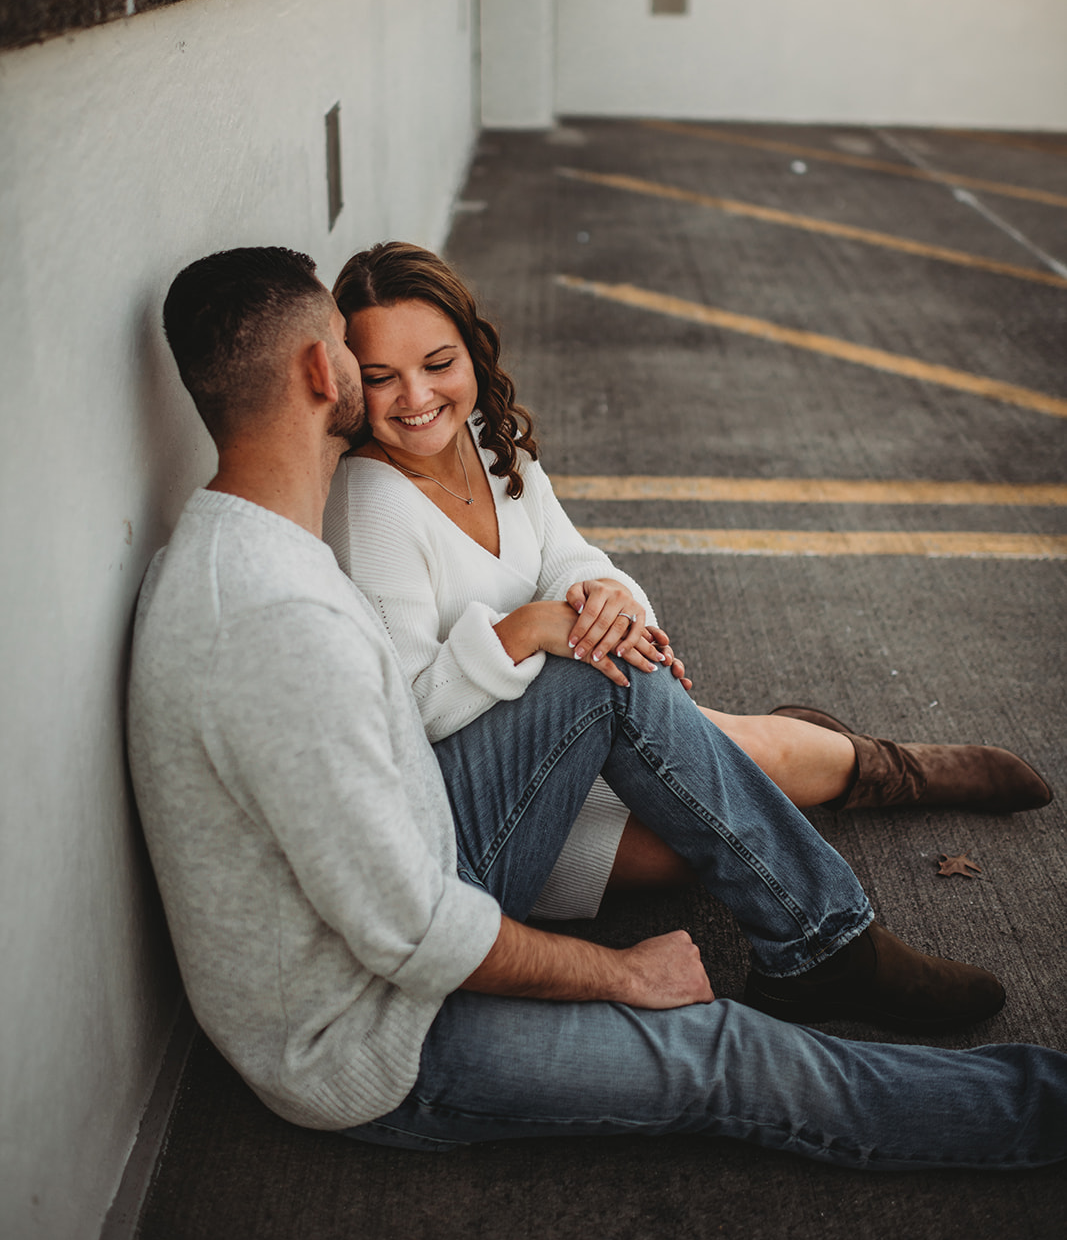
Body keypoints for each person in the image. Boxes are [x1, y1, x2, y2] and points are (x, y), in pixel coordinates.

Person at [127, 244, 1067, 1171]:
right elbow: (410, 935)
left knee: (597, 661)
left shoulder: (247, 553)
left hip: (423, 869)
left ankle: (823, 943)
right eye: (351, 346)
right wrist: (621, 976)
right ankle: (1038, 1107)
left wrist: (584, 610)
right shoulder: (278, 622)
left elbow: (554, 588)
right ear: (317, 371)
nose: (396, 387)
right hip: (373, 1038)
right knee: (724, 1052)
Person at [324, 241, 1051, 920]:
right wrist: (525, 629)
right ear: (354, 386)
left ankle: (891, 769)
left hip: (589, 719)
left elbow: (569, 558)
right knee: (700, 847)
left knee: (747, 769)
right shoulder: (373, 503)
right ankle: (811, 751)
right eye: (381, 378)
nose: (415, 397)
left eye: (437, 362)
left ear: (472, 353)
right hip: (493, 794)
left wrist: (604, 596)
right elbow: (410, 720)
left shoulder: (486, 441)